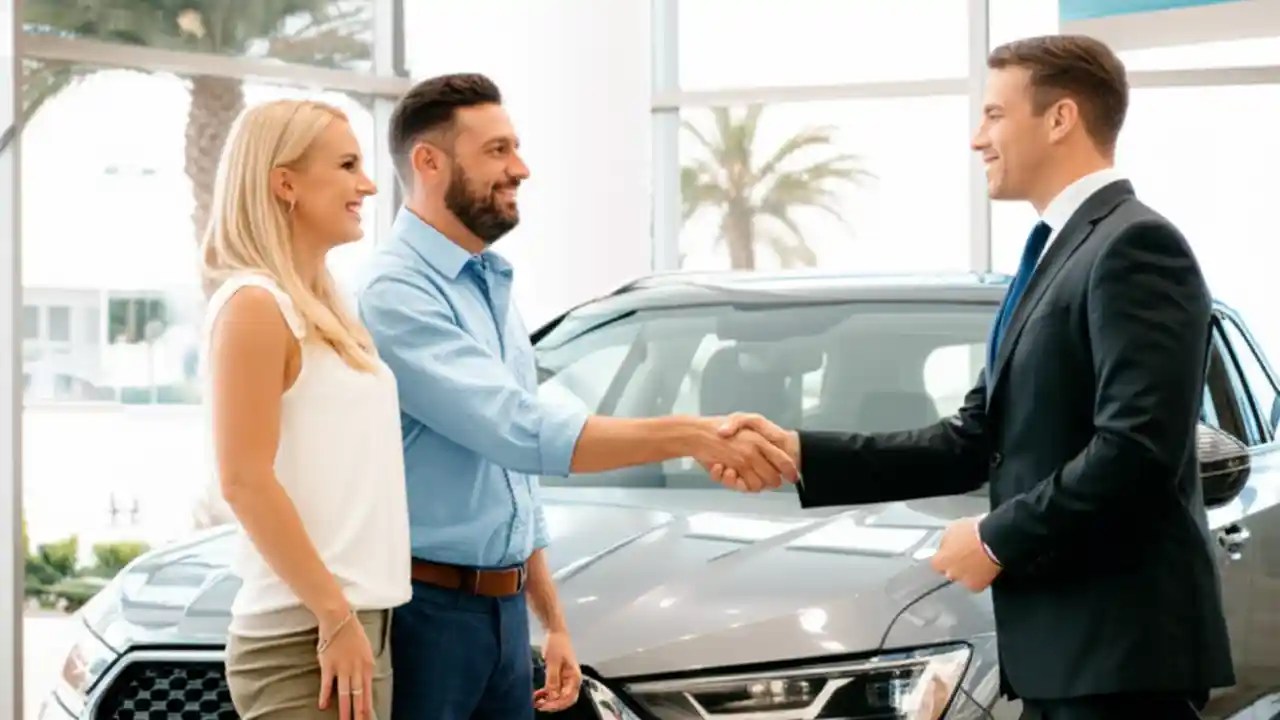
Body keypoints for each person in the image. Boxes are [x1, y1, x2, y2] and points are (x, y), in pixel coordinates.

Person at [711, 34, 1233, 719]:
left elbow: (1136, 451)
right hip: (1065, 658)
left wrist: (994, 538)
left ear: (1060, 118)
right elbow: (973, 438)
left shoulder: (1135, 246)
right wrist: (799, 452)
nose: (975, 139)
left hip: (1116, 656)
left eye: (993, 114)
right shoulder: (1055, 252)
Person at [357, 72, 797, 719]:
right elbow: (518, 430)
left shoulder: (487, 283)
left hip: (502, 616)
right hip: (427, 617)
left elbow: (510, 481)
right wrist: (692, 435)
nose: (521, 168)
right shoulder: (395, 294)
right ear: (428, 162)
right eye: (497, 151)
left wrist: (550, 621)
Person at [202, 98, 410, 720]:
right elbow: (243, 480)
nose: (368, 185)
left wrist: (349, 620)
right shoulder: (254, 306)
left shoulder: (328, 306)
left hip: (352, 626)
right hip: (304, 641)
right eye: (347, 165)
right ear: (284, 183)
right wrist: (333, 614)